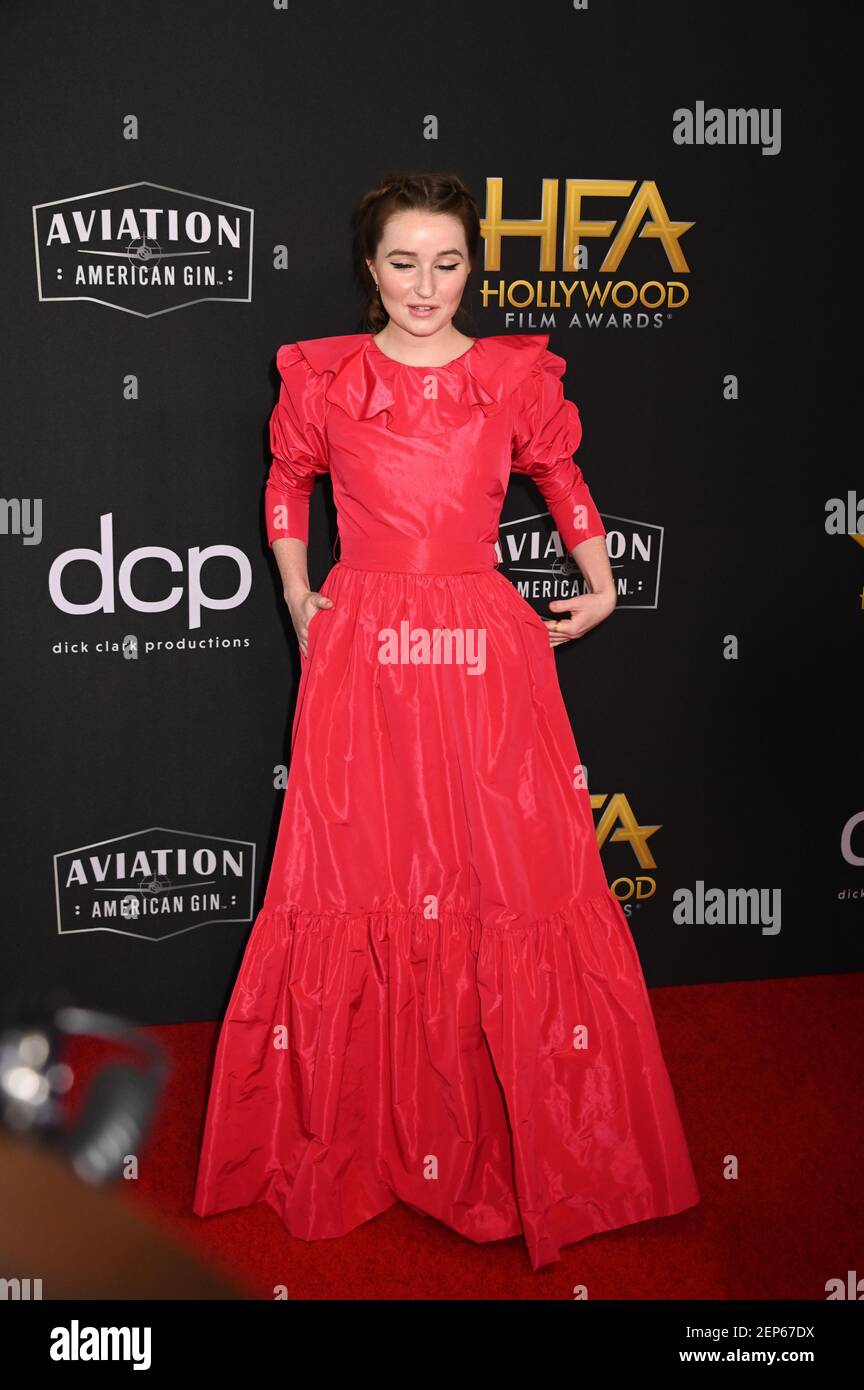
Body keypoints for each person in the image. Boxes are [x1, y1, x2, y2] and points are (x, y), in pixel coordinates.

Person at [192, 172, 700, 1271]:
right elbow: (287, 481)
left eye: (450, 262)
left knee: (508, 880)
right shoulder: (328, 377)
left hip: (482, 643)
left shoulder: (511, 377)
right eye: (404, 262)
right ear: (368, 269)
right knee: (355, 872)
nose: (427, 285)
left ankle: (534, 1147)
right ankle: (365, 1141)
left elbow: (562, 473)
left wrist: (601, 579)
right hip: (363, 639)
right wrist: (295, 593)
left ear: (475, 266)